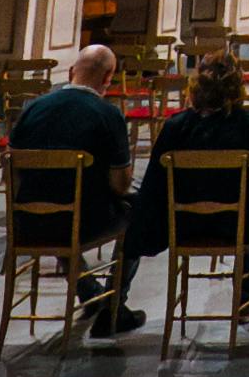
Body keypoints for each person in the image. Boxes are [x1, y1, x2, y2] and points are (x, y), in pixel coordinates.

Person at [116, 50, 249, 318]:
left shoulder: (175, 127)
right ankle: (248, 297)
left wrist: (143, 231)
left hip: (182, 226)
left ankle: (114, 303)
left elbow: (154, 188)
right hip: (236, 227)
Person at [9, 44, 146, 337]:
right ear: (109, 76)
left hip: (28, 223)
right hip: (85, 221)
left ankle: (88, 291)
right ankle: (113, 306)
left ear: (72, 72)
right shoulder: (107, 114)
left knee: (56, 207)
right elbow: (120, 185)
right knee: (142, 214)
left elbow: (13, 175)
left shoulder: (32, 108)